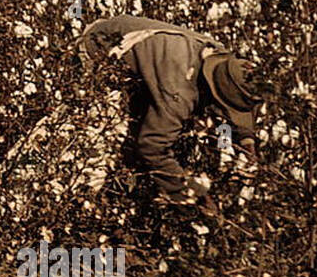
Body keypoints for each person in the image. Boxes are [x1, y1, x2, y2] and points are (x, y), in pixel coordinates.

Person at [78, 14, 271, 207]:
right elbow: (152, 146)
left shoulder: (220, 57)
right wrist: (192, 195)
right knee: (104, 158)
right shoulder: (179, 92)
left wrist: (247, 144)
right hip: (96, 48)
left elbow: (235, 102)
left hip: (123, 30)